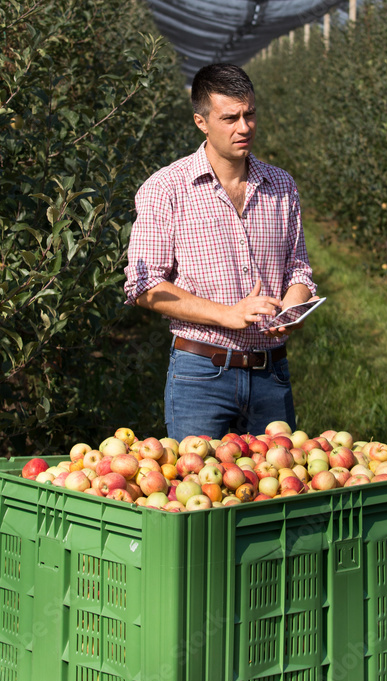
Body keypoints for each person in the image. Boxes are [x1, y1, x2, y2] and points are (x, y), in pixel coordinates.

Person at [123, 63, 317, 441]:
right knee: (198, 494)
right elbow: (144, 285)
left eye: (250, 115)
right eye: (230, 118)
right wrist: (227, 315)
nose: (244, 127)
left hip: (270, 372)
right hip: (201, 373)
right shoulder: (167, 189)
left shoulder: (281, 185)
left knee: (275, 494)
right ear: (201, 122)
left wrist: (294, 307)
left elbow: (298, 269)